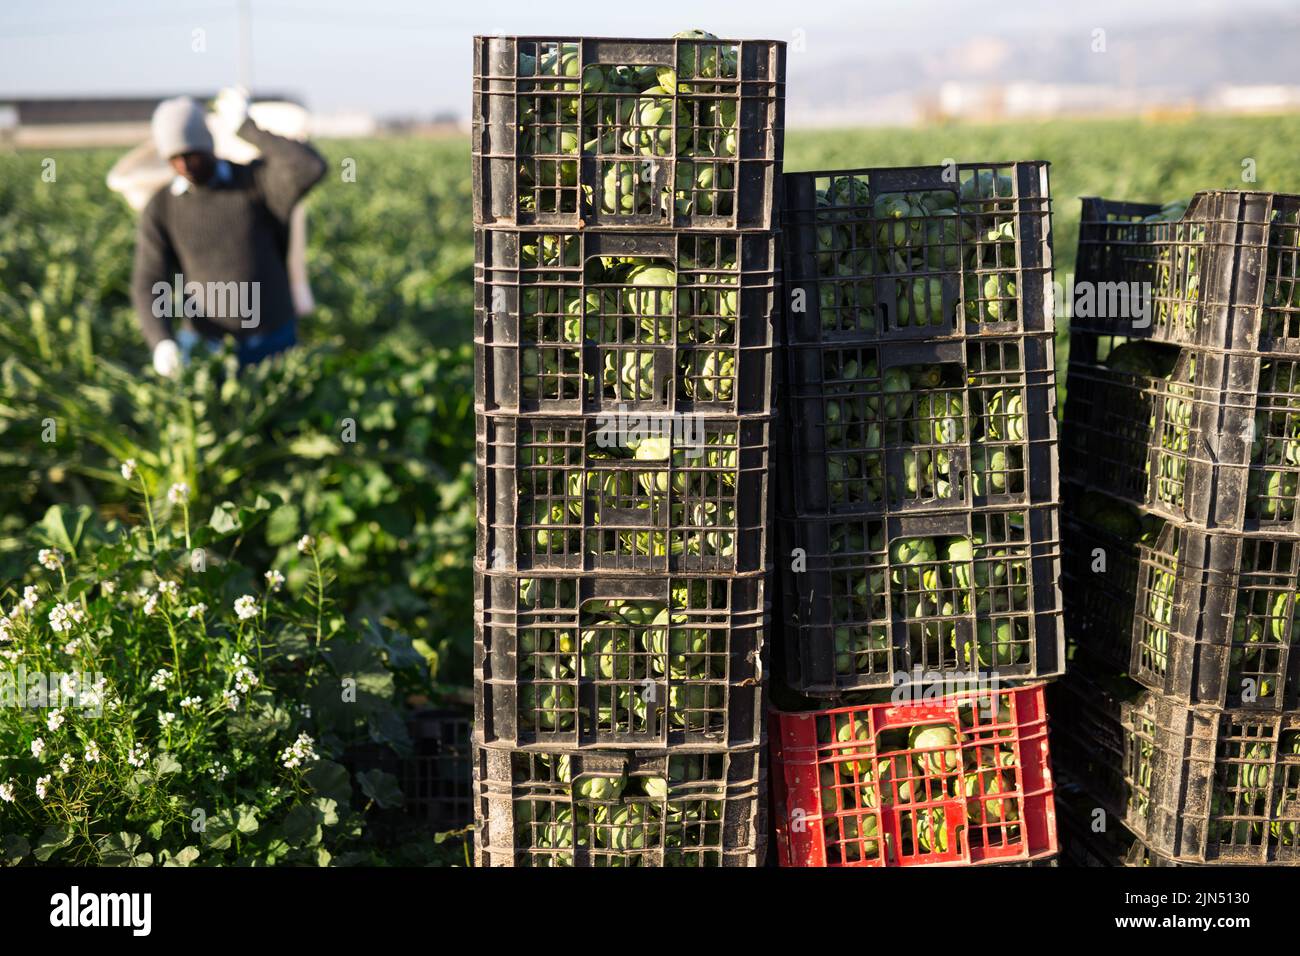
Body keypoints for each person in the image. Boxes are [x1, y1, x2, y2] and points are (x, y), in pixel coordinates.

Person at [131, 92, 326, 376]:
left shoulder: (255, 182)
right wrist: (161, 340)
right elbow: (149, 280)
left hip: (271, 338)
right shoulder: (162, 206)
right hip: (205, 346)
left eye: (191, 154)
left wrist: (247, 128)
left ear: (209, 145)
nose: (184, 165)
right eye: (174, 158)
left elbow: (310, 167)